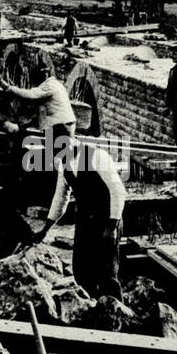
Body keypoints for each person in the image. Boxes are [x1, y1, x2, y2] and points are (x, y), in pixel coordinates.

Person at [26, 128, 126, 300]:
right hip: (86, 221)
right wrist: (45, 229)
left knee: (106, 272)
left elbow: (118, 192)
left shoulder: (96, 156)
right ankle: (90, 309)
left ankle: (117, 311)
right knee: (81, 270)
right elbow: (60, 198)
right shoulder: (64, 164)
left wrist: (111, 227)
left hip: (106, 219)